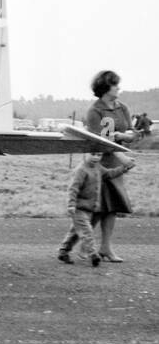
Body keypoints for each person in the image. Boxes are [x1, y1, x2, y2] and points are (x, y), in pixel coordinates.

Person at [84, 70, 136, 262]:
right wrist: (123, 159)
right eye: (115, 85)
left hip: (116, 162)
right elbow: (99, 142)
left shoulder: (122, 108)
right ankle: (78, 245)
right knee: (94, 206)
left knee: (111, 205)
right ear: (106, 87)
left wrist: (125, 137)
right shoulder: (94, 111)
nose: (119, 88)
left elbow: (131, 133)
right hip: (98, 162)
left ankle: (106, 247)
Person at [58, 152, 134, 266]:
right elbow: (73, 188)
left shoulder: (98, 167)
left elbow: (109, 174)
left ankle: (63, 251)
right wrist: (71, 204)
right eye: (93, 154)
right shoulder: (81, 170)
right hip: (79, 208)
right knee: (87, 232)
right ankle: (93, 255)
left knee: (75, 232)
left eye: (99, 155)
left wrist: (124, 168)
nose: (96, 157)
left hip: (89, 208)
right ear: (85, 154)